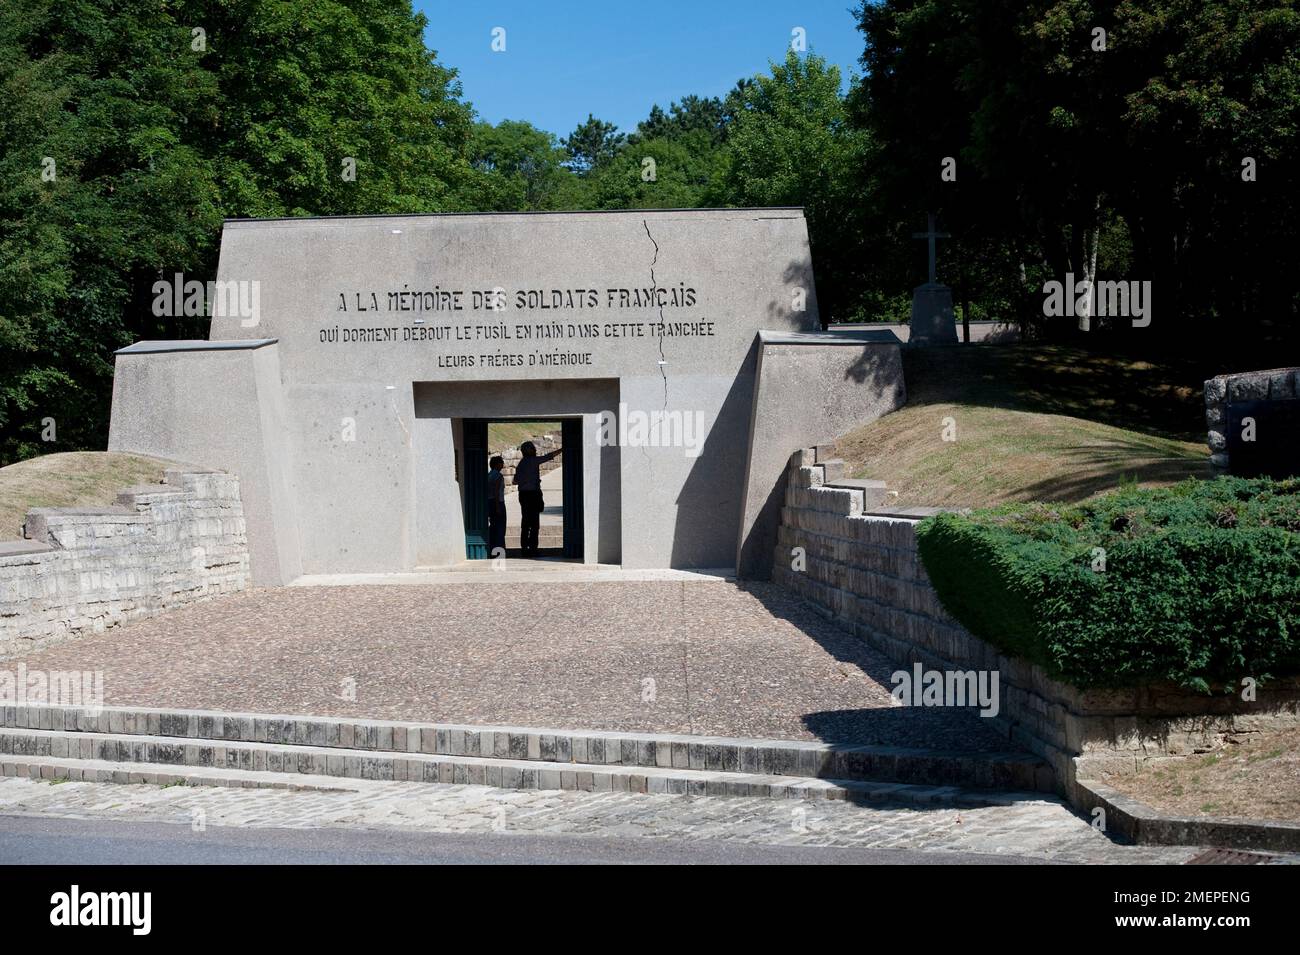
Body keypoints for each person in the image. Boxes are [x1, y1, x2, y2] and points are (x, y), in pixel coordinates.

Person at [513, 440, 561, 556]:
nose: (535, 450)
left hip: (523, 495)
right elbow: (548, 457)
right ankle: (533, 548)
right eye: (533, 448)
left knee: (525, 521)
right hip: (533, 494)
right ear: (528, 450)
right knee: (534, 522)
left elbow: (515, 481)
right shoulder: (533, 461)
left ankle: (524, 548)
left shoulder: (521, 464)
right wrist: (562, 450)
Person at [486, 455, 506, 556]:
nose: (503, 464)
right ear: (497, 464)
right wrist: (498, 506)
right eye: (501, 462)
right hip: (498, 503)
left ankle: (492, 549)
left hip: (490, 503)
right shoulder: (498, 476)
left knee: (493, 527)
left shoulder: (489, 475)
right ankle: (499, 551)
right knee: (500, 528)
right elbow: (497, 492)